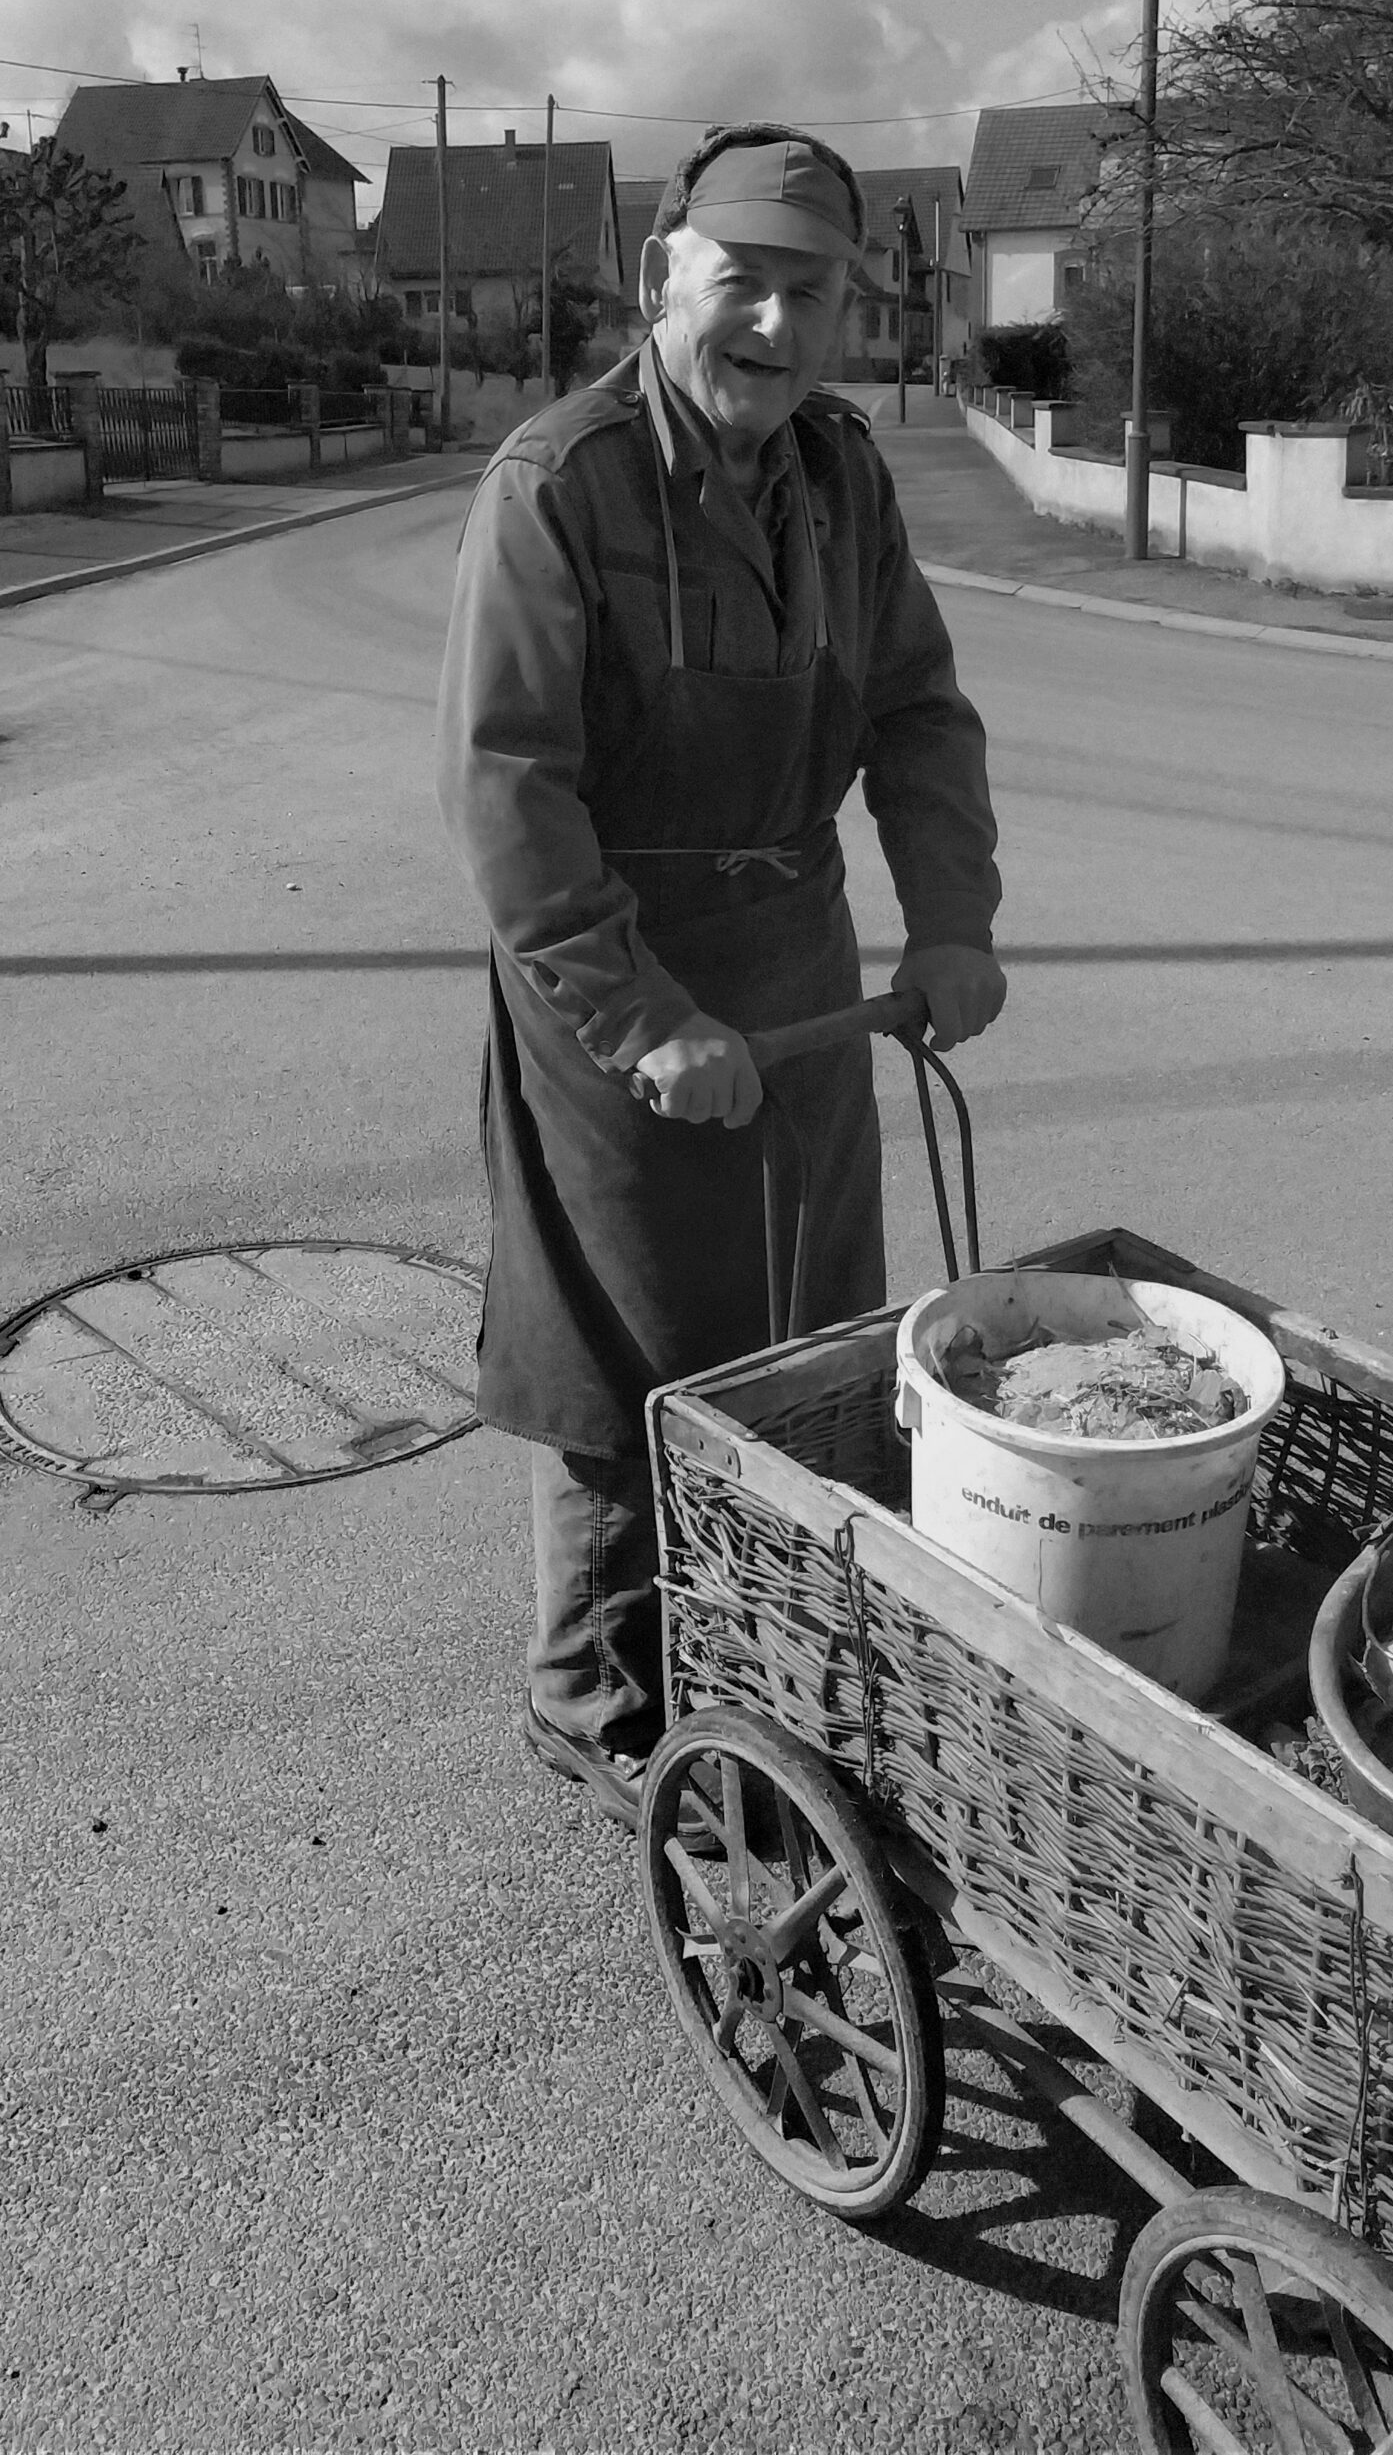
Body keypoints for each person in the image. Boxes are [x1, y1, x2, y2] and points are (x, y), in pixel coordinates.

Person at [435, 122, 1006, 1832]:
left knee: (813, 1324)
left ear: (848, 314)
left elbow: (914, 707)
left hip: (801, 958)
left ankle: (760, 1646)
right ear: (660, 279)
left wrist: (953, 917)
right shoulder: (557, 482)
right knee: (637, 1349)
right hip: (612, 973)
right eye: (738, 279)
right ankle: (598, 1693)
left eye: (809, 290)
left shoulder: (840, 478)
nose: (771, 320)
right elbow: (509, 785)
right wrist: (641, 1018)